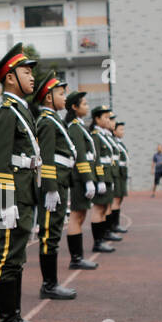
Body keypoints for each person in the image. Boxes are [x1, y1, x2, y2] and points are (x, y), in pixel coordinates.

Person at [0, 43, 47, 322]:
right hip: (11, 197)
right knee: (8, 256)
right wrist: (5, 203)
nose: (32, 77)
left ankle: (15, 315)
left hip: (24, 193)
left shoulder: (21, 110)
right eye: (26, 72)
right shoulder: (6, 113)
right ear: (10, 77)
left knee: (18, 256)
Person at [32, 72, 76, 300]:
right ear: (48, 98)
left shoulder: (55, 120)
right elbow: (46, 157)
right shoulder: (47, 122)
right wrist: (50, 188)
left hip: (60, 180)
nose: (65, 98)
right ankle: (49, 284)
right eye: (61, 94)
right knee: (50, 232)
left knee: (55, 230)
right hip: (54, 182)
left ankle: (52, 282)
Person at [63, 92, 99, 271]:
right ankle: (76, 258)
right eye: (84, 104)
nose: (87, 107)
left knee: (80, 216)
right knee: (76, 217)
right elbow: (81, 157)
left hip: (82, 178)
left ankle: (78, 257)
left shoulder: (79, 127)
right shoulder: (75, 129)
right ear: (74, 108)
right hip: (79, 179)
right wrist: (88, 180)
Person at [88, 106, 118, 254]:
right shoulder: (95, 136)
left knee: (104, 207)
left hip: (107, 176)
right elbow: (96, 159)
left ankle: (103, 237)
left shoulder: (103, 136)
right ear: (97, 119)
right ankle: (98, 242)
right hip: (102, 177)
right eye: (105, 117)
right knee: (98, 208)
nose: (108, 120)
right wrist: (99, 179)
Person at [106, 118, 129, 235]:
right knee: (115, 200)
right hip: (116, 173)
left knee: (119, 199)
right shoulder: (112, 141)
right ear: (114, 131)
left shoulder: (119, 143)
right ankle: (113, 226)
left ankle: (116, 224)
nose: (123, 131)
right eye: (120, 129)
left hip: (121, 173)